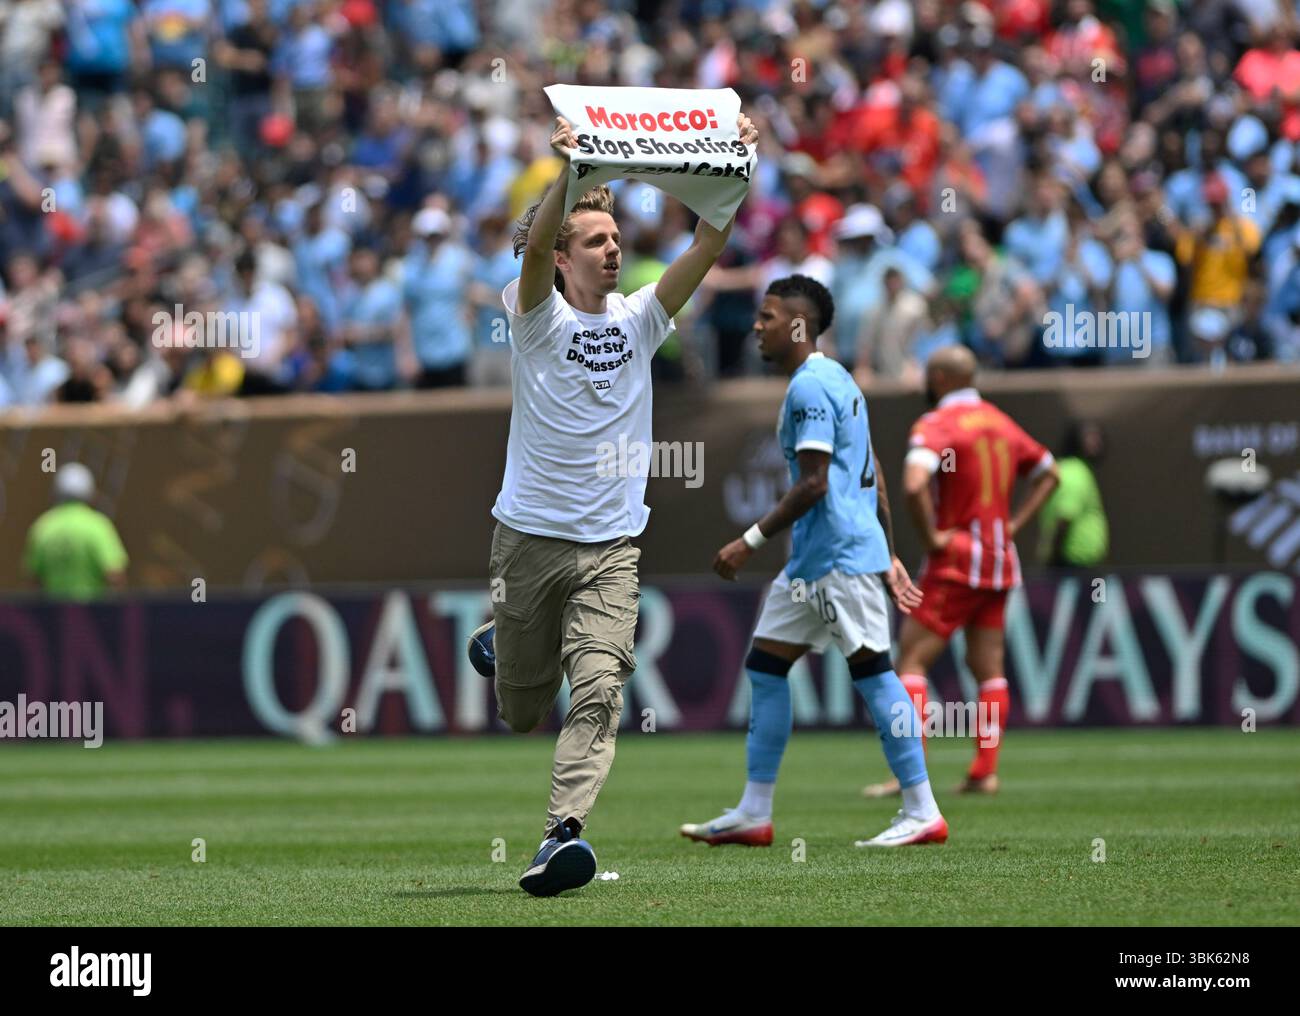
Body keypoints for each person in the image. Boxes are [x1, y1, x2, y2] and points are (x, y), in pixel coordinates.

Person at [464, 111, 759, 897]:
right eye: (594, 240)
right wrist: (573, 169)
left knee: (600, 689)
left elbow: (708, 243)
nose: (613, 248)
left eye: (615, 237)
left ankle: (561, 835)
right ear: (563, 257)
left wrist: (735, 164)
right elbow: (528, 246)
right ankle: (503, 645)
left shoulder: (642, 318)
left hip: (612, 550)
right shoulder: (536, 319)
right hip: (526, 541)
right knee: (522, 710)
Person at [680, 274, 948, 850]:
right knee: (765, 666)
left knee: (874, 672)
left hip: (836, 556)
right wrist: (891, 551)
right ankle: (754, 811)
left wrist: (747, 540)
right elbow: (870, 470)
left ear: (798, 324)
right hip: (818, 559)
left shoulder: (809, 389)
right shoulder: (839, 379)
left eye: (769, 316)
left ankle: (922, 808)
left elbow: (817, 484)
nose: (757, 325)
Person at [863, 347, 1059, 799]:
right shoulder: (1001, 421)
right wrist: (1013, 524)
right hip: (999, 559)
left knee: (911, 660)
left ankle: (910, 774)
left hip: (956, 561)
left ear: (941, 378)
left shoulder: (938, 424)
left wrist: (931, 536)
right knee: (987, 667)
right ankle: (985, 771)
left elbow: (913, 485)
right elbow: (1049, 474)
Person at [24, 462, 128, 601]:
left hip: (53, 618)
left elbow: (32, 581)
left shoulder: (43, 527)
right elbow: (115, 575)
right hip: (91, 618)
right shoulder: (98, 526)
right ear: (90, 493)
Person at [1038, 420, 1109, 568]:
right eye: (1089, 437)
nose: (1097, 443)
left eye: (1097, 436)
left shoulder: (1070, 469)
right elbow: (1064, 518)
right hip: (1073, 565)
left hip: (1076, 563)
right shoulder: (1074, 472)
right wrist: (1055, 558)